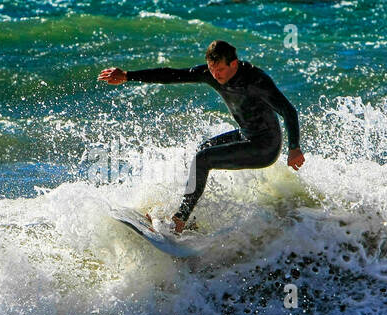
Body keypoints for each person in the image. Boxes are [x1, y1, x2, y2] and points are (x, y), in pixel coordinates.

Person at [97, 40, 305, 234]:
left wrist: (294, 148)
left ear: (234, 64)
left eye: (220, 69)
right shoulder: (211, 73)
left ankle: (179, 221)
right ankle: (191, 215)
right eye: (212, 69)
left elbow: (288, 110)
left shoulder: (256, 80)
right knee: (203, 149)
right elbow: (171, 75)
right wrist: (127, 75)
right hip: (246, 135)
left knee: (203, 160)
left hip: (265, 146)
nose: (216, 75)